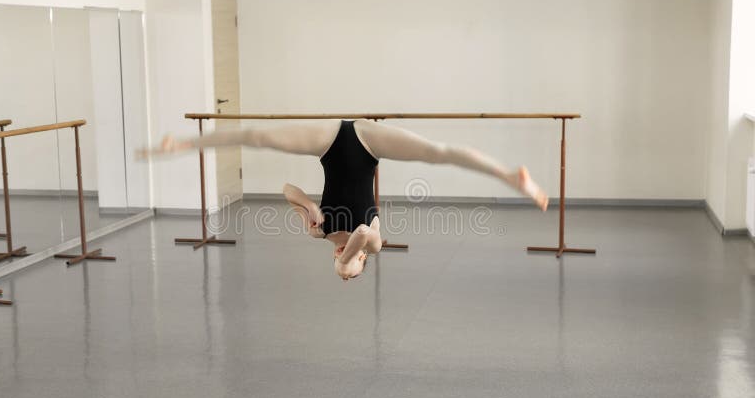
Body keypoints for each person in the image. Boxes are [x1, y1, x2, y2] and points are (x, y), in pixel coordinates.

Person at [141, 119, 548, 280]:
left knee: (261, 136)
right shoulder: (372, 240)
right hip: (369, 142)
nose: (343, 262)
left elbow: (286, 189)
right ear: (361, 259)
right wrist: (345, 257)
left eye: (340, 266)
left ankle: (182, 143)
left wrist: (309, 210)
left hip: (330, 145)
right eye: (350, 267)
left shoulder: (318, 235)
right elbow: (354, 235)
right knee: (436, 152)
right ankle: (510, 176)